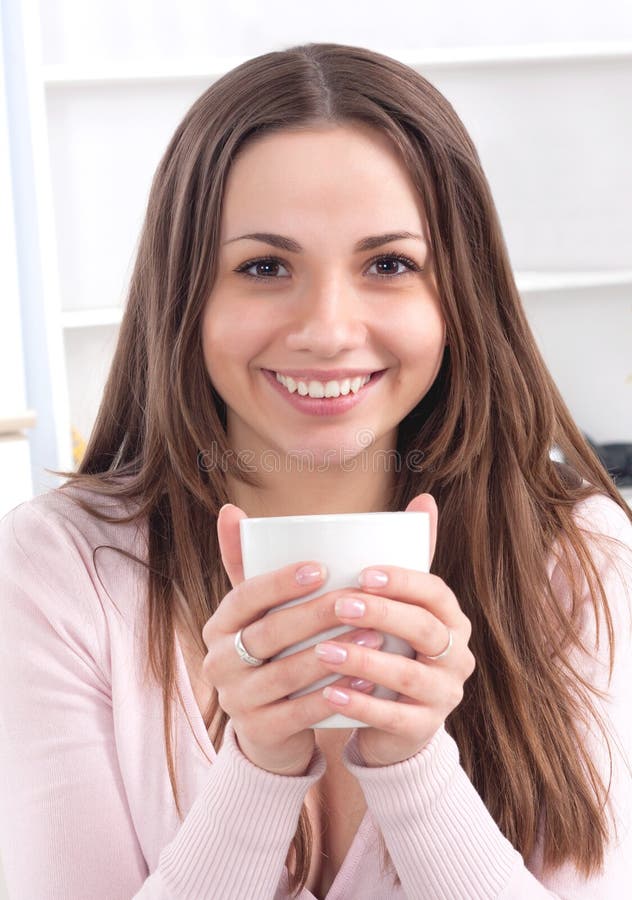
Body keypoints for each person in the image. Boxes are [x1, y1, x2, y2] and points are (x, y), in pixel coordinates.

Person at [0, 42, 630, 900]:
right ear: (185, 295)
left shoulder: (580, 557)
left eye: (389, 265)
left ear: (458, 296)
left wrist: (413, 768)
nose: (329, 329)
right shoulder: (59, 570)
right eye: (265, 267)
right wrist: (257, 770)